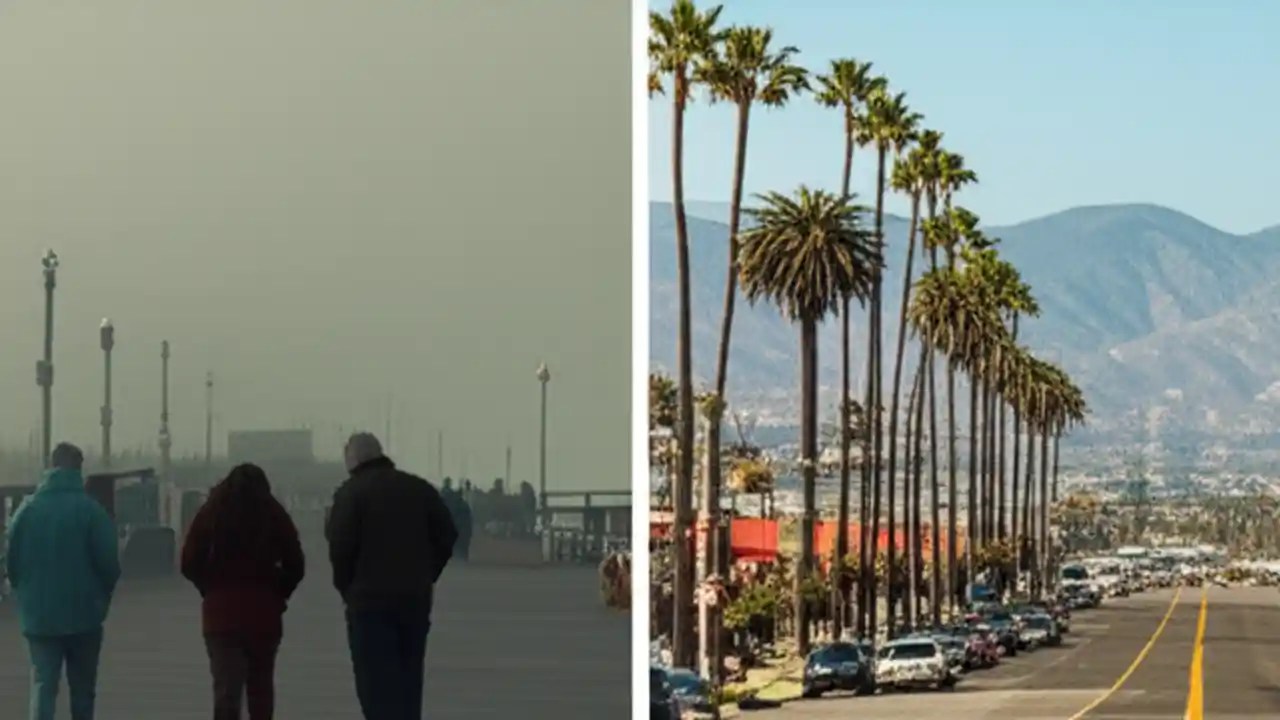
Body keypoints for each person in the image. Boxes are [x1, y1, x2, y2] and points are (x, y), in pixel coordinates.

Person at [326, 432, 458, 720]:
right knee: (408, 680)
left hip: (368, 604)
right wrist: (427, 573)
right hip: (413, 599)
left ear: (354, 459)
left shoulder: (350, 494)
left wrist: (347, 588)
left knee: (375, 686)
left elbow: (340, 547)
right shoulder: (419, 489)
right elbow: (447, 534)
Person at [4, 442, 120, 720]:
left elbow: (11, 562)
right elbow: (109, 564)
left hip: (40, 617)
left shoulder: (27, 510)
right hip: (85, 616)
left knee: (43, 685)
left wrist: (26, 595)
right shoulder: (91, 511)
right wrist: (101, 598)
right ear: (79, 469)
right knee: (83, 690)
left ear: (50, 466)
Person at [180, 463, 305, 720]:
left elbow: (188, 562)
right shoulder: (273, 512)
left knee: (226, 691)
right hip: (264, 615)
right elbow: (296, 564)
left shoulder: (212, 511)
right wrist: (278, 592)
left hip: (221, 616)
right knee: (261, 690)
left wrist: (209, 588)